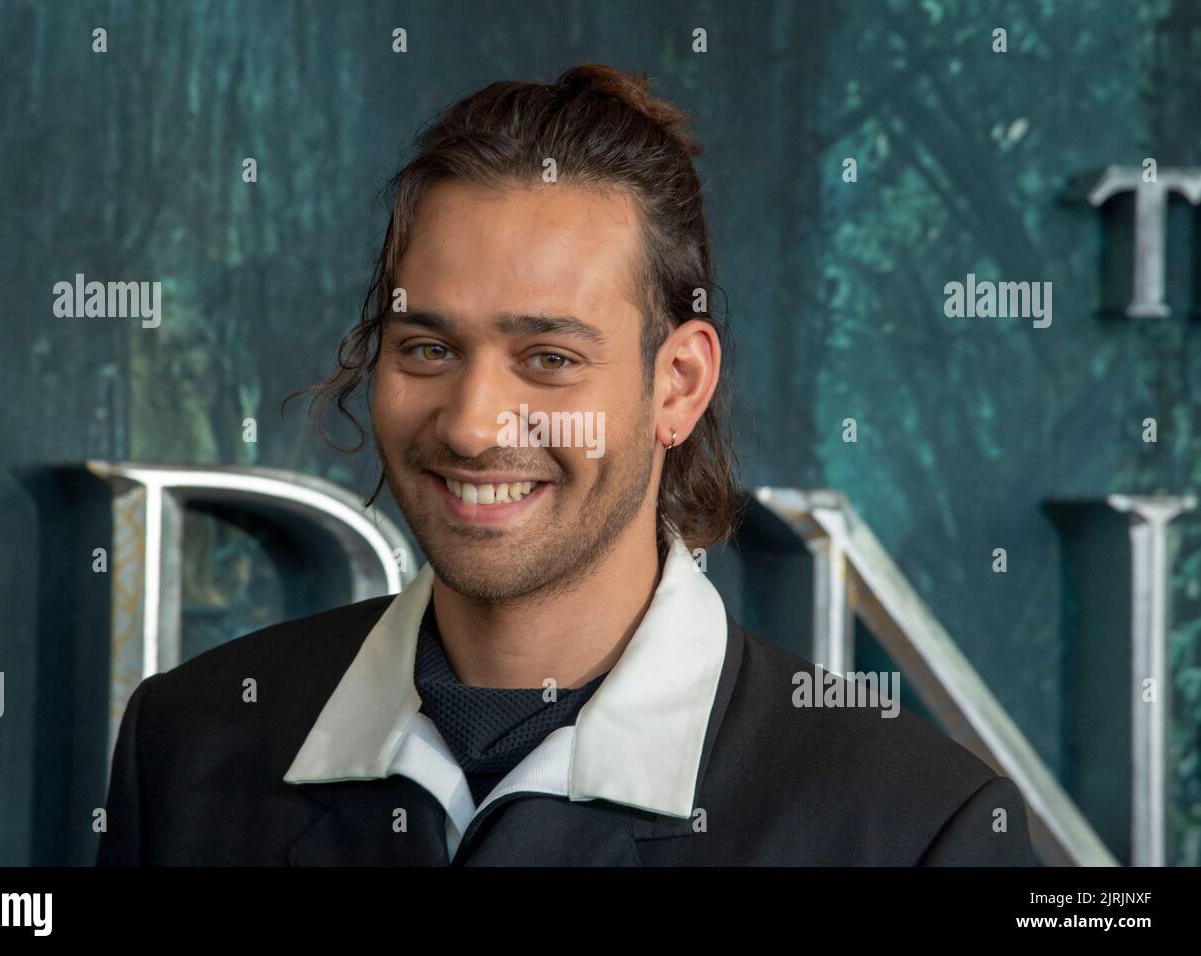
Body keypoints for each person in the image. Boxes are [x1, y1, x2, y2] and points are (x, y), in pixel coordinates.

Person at [96, 63, 1036, 866]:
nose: (471, 426)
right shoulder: (187, 747)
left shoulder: (912, 830)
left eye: (549, 359)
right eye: (428, 348)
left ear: (677, 384)